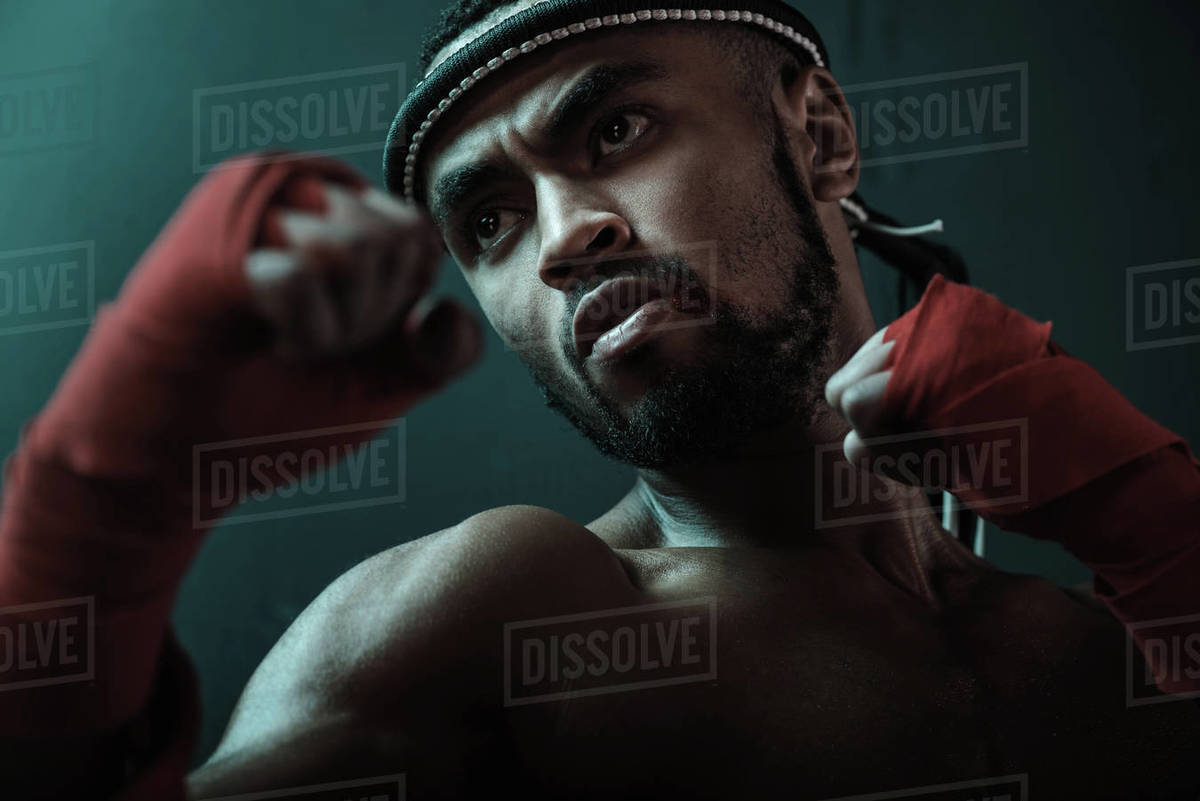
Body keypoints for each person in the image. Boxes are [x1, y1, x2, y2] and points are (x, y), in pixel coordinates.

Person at [1, 1, 1197, 799]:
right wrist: (102, 508)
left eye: (616, 129)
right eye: (491, 222)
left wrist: (1160, 522)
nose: (568, 240)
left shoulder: (1087, 640)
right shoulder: (510, 620)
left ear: (820, 135)